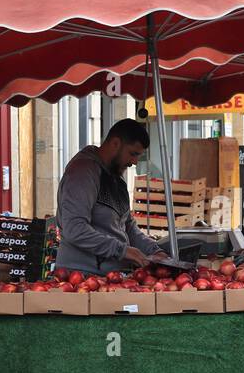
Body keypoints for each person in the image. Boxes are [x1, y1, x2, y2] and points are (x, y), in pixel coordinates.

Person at [55, 118, 169, 275]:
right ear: (115, 143)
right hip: (82, 277)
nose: (134, 162)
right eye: (132, 154)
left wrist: (155, 251)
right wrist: (123, 250)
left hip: (112, 276)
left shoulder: (115, 175)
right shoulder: (82, 172)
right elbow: (74, 228)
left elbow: (127, 226)